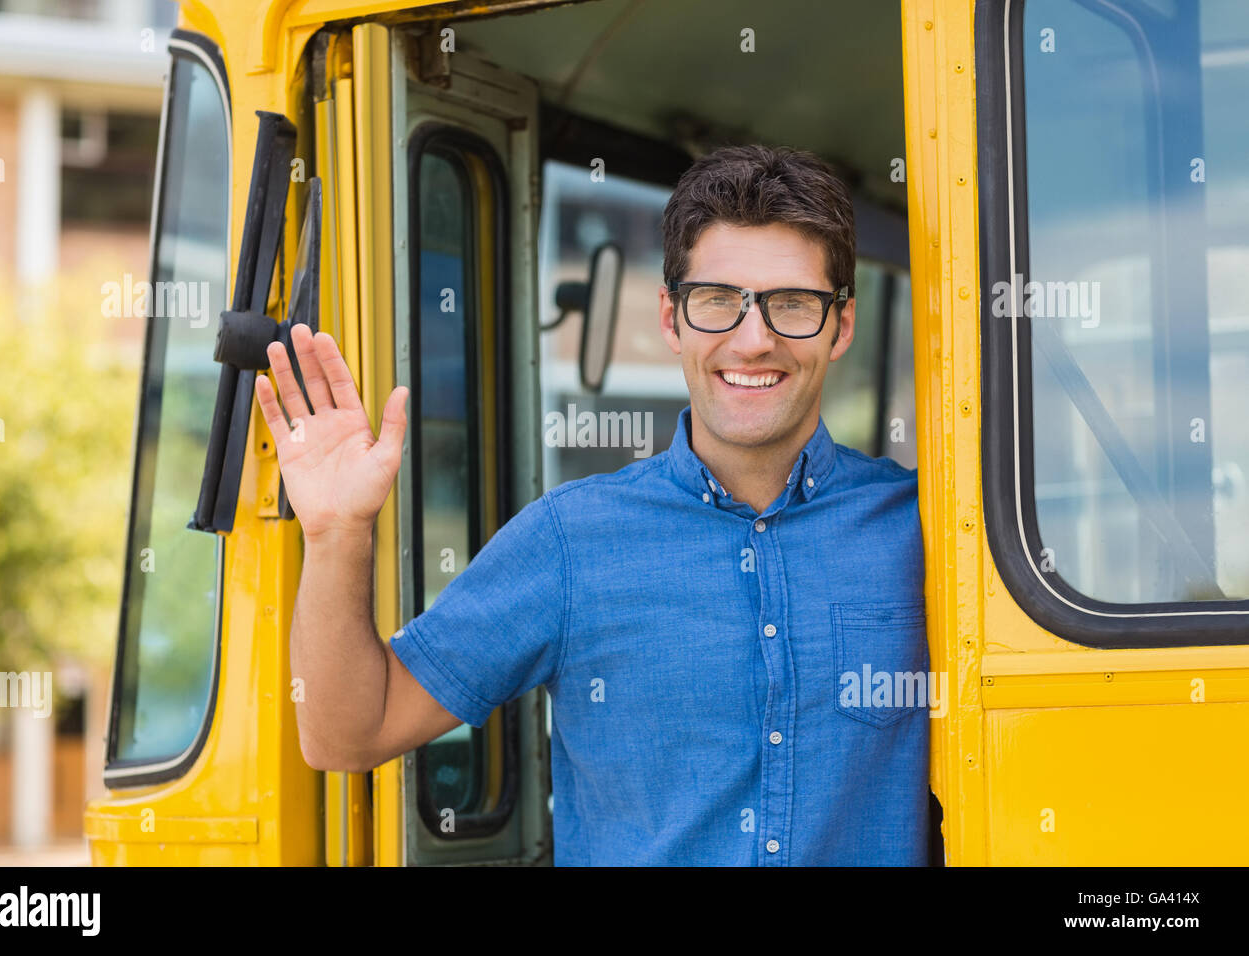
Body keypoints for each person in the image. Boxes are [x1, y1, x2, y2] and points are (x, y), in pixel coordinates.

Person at [255, 144, 928, 865]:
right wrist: (336, 534)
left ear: (842, 324)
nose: (753, 338)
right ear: (672, 320)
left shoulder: (928, 531)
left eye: (792, 304)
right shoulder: (569, 540)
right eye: (718, 302)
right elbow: (347, 735)